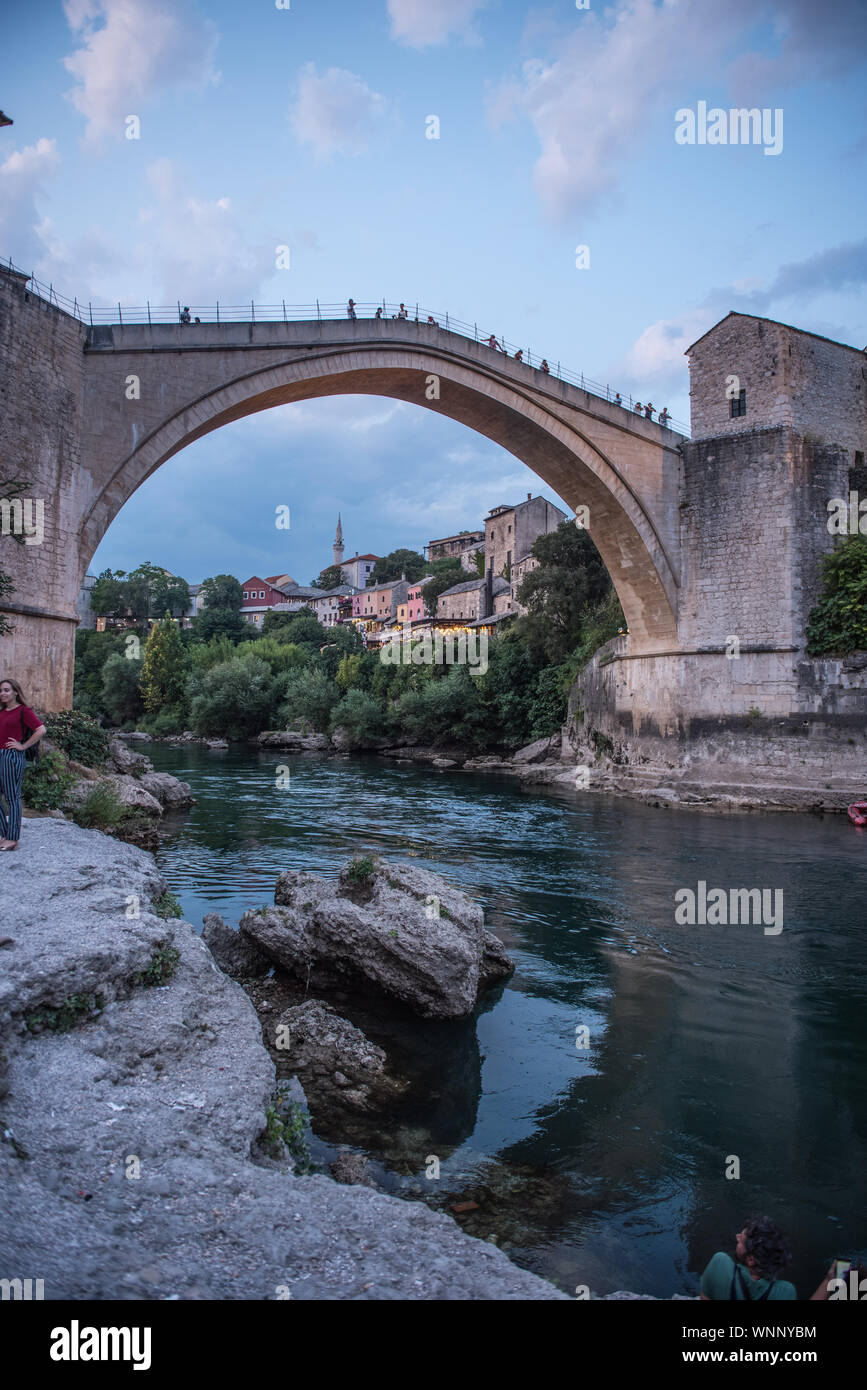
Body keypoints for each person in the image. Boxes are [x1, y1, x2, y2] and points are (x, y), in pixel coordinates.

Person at [0, 678, 46, 851]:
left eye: (6, 690)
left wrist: (23, 746)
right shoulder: (2, 712)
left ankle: (12, 839)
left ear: (15, 692)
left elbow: (41, 729)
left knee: (12, 797)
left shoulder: (23, 711)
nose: (3, 693)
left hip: (12, 756)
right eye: (1, 691)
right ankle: (4, 834)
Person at [700, 1219, 796, 1301]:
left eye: (741, 1240)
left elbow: (704, 1297)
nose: (737, 1236)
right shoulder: (786, 1292)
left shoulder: (720, 1262)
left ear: (751, 1260)